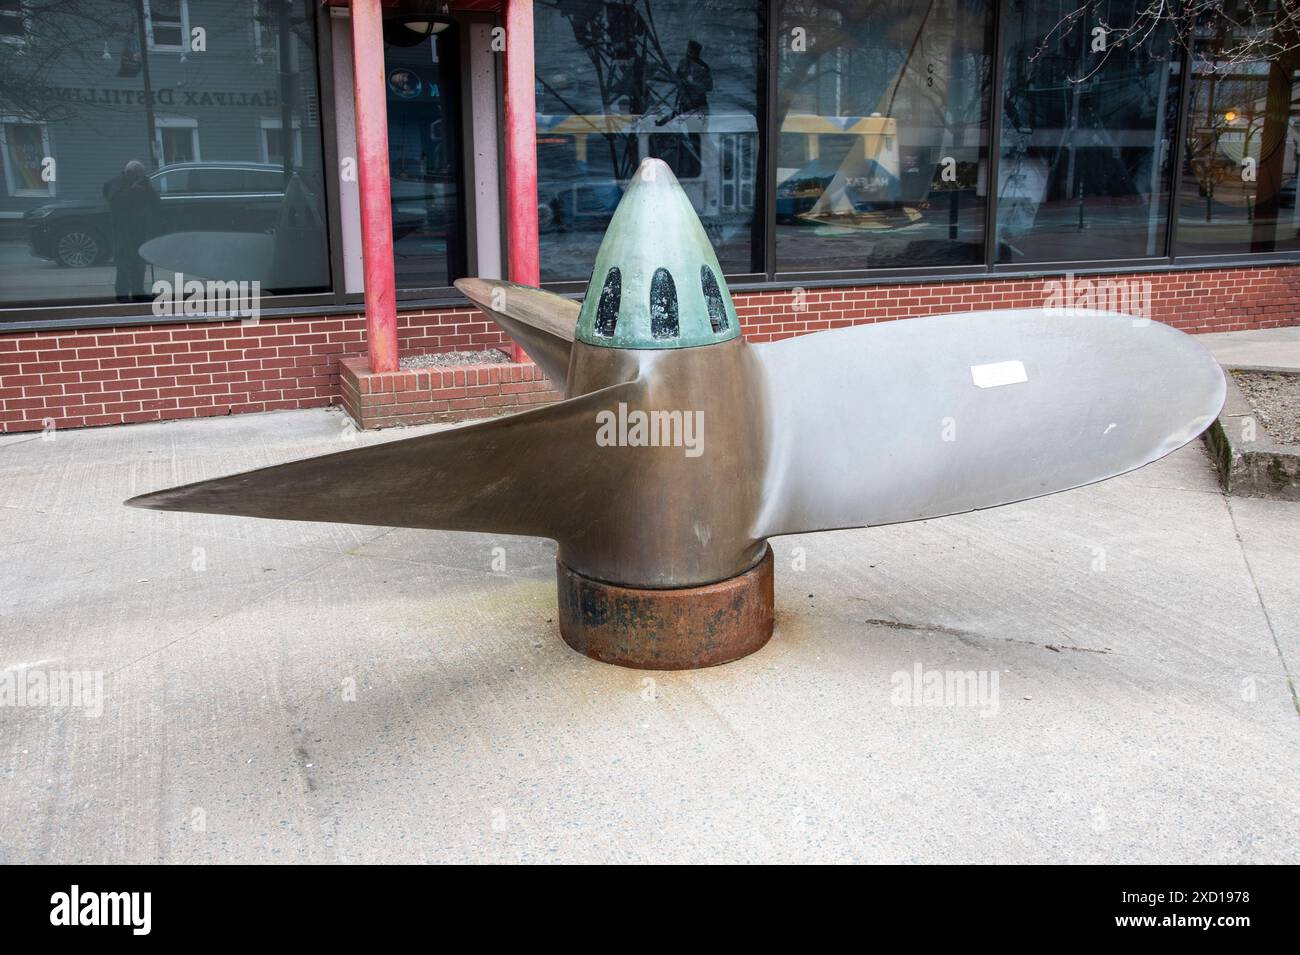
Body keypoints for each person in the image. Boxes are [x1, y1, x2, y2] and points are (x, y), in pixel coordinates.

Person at [102, 160, 159, 302]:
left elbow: (155, 201)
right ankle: (122, 295)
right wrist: (133, 191)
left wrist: (148, 189)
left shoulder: (143, 184)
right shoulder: (114, 183)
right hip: (122, 232)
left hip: (139, 231)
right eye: (137, 175)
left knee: (138, 265)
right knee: (123, 265)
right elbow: (116, 202)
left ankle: (138, 293)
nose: (140, 178)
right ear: (129, 173)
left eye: (141, 175)